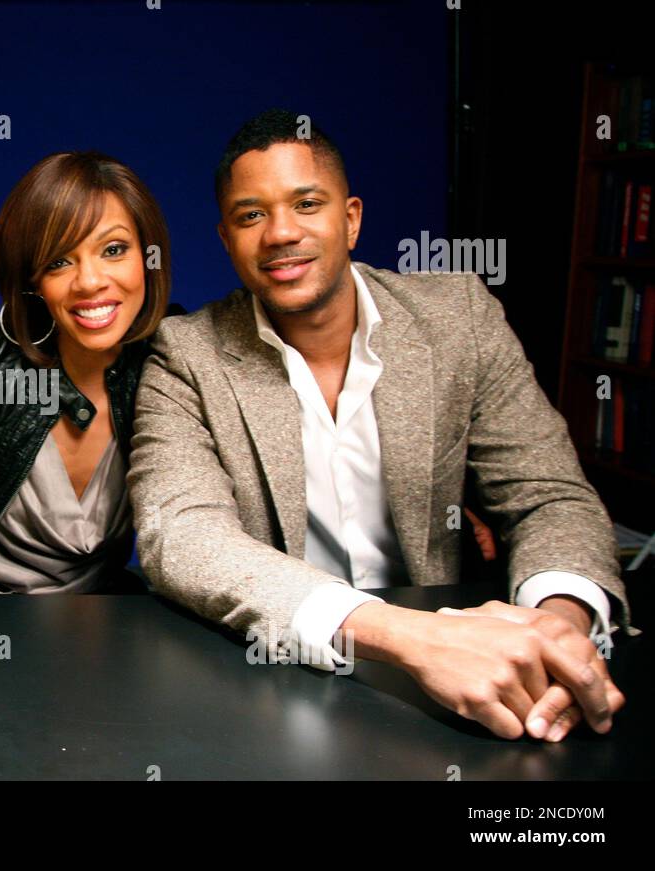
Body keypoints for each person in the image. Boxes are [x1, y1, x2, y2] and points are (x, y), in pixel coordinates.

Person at [128, 109, 632, 741]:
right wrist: (413, 637)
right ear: (227, 239)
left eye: (307, 203)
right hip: (278, 677)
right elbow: (182, 535)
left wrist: (556, 625)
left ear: (351, 218)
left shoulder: (459, 318)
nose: (281, 232)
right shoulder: (187, 354)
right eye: (251, 215)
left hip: (467, 678)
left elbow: (547, 493)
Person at [0, 152, 171, 593]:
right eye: (59, 261)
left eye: (114, 250)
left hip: (109, 634)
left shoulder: (173, 366)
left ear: (147, 255)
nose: (89, 281)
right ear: (32, 280)